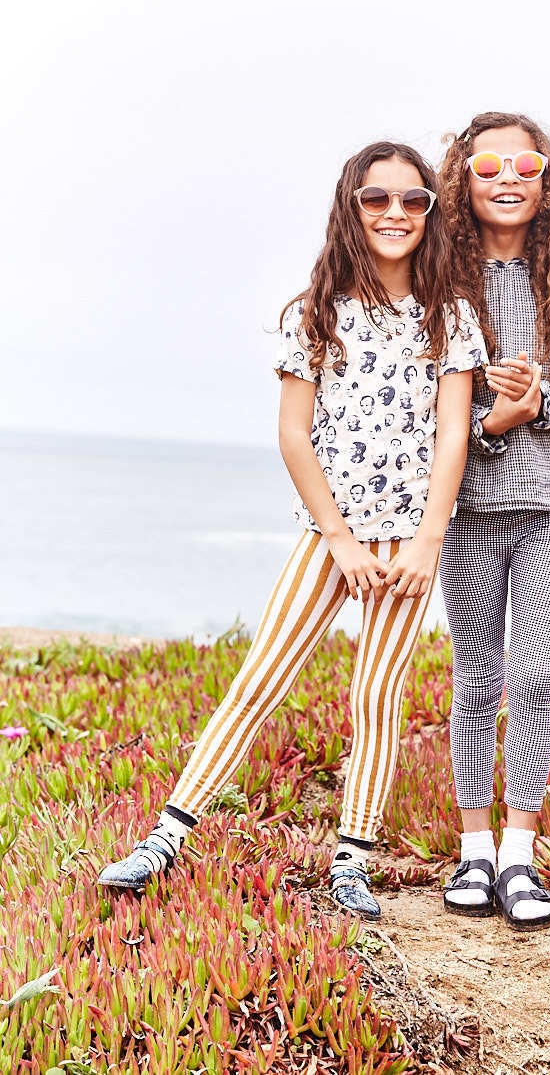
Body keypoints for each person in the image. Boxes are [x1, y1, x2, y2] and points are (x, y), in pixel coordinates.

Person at [98, 141, 486, 920]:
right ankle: (167, 838)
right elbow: (294, 436)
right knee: (257, 682)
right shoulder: (315, 311)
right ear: (351, 206)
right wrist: (339, 539)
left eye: (414, 201)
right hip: (330, 537)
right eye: (377, 199)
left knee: (377, 697)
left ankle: (353, 861)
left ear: (431, 214)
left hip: (408, 545)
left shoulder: (453, 317)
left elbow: (453, 435)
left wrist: (426, 543)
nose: (396, 214)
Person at [436, 112, 550, 929]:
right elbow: (429, 419)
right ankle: (473, 849)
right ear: (462, 181)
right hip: (467, 509)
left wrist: (539, 406)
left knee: (536, 676)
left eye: (526, 163)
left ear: (545, 183)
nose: (508, 177)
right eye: (489, 166)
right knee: (476, 678)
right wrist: (488, 427)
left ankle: (519, 855)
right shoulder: (440, 280)